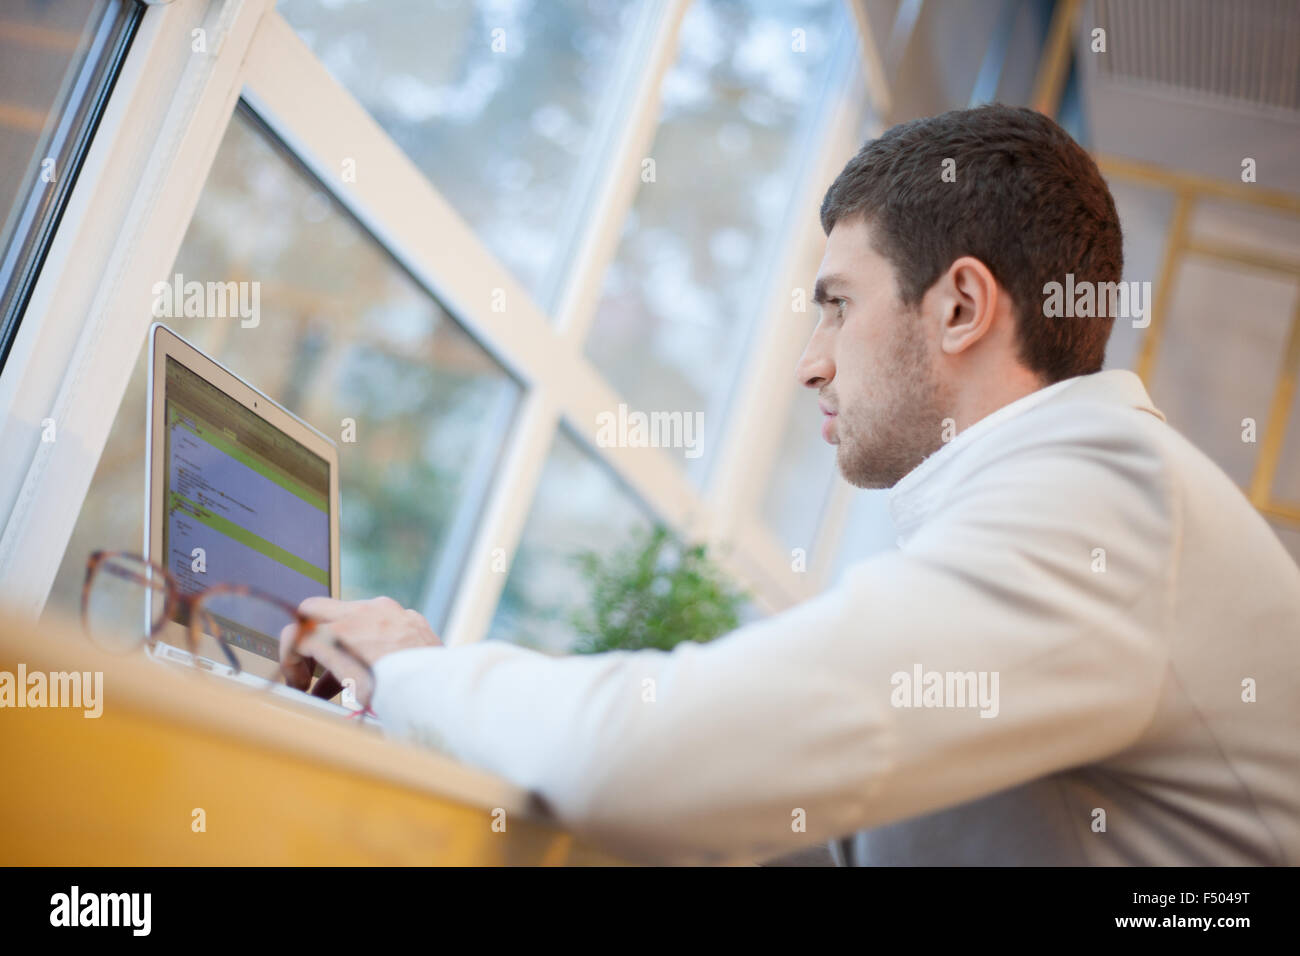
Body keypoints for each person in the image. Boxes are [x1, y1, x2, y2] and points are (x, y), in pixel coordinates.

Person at [282, 105, 1300, 866]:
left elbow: (643, 763)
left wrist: (409, 670)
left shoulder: (1106, 499)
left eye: (835, 306)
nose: (809, 362)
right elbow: (826, 819)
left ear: (958, 307)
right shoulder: (1060, 499)